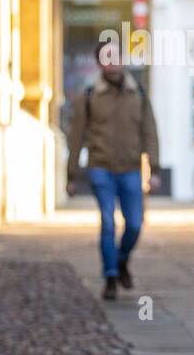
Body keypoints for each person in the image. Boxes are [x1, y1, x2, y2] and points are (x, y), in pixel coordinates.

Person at [66, 37, 161, 300]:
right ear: (99, 63)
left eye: (116, 56)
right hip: (101, 168)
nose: (113, 62)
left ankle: (121, 261)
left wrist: (154, 169)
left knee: (134, 224)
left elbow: (150, 131)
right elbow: (76, 136)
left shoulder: (138, 93)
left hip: (131, 168)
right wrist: (71, 174)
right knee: (108, 223)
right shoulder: (89, 95)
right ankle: (109, 276)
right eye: (107, 57)